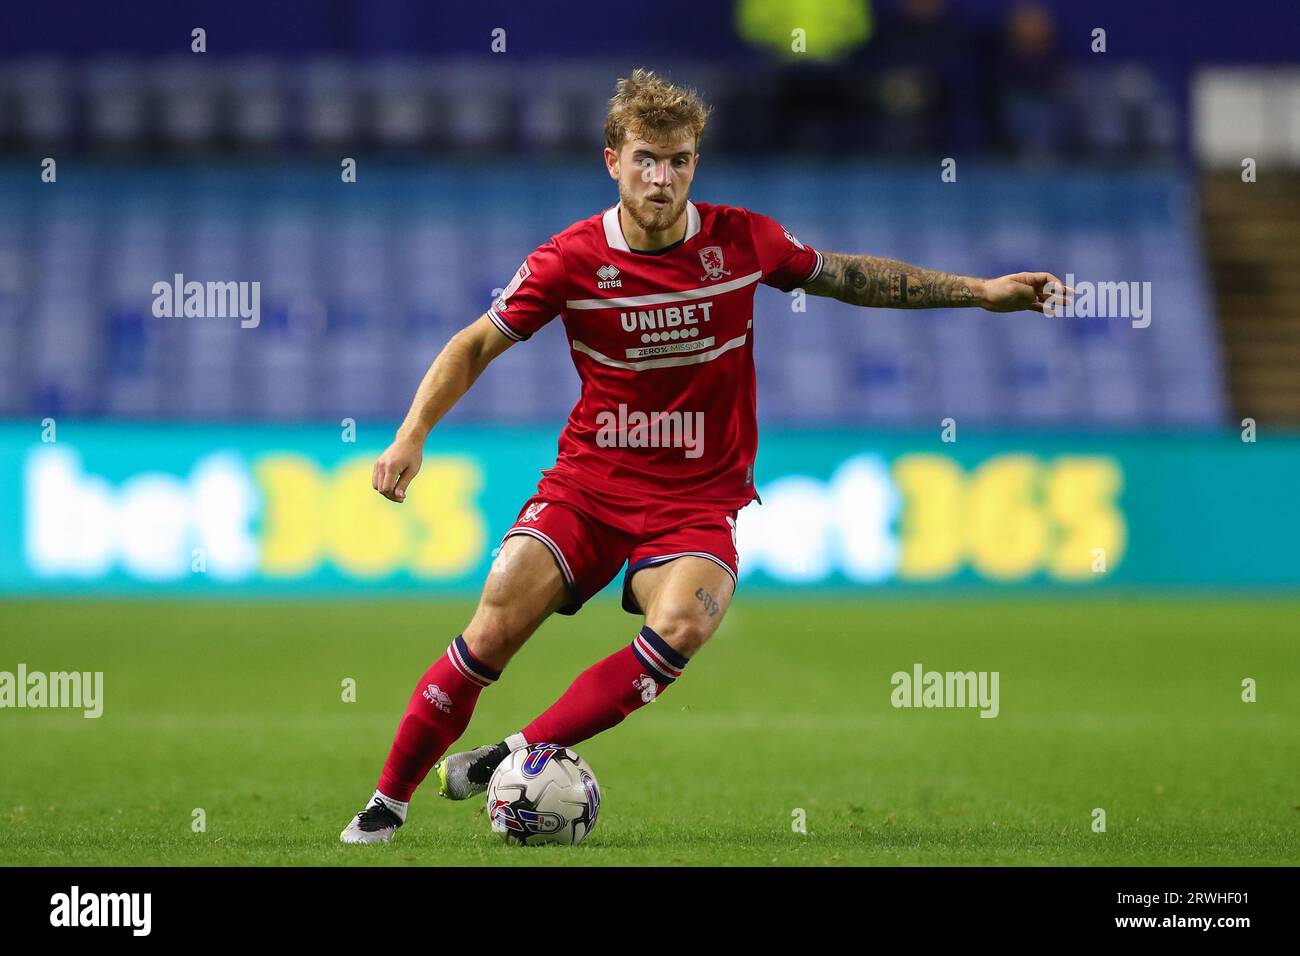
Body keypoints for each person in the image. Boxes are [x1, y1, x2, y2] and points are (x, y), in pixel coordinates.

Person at [342, 68, 1065, 844]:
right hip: (589, 484)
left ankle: (512, 755)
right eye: (647, 159)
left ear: (696, 163)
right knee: (491, 629)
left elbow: (853, 278)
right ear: (612, 161)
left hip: (695, 500)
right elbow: (476, 343)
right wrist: (411, 434)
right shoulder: (569, 260)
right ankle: (386, 806)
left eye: (679, 160)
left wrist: (980, 291)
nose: (662, 177)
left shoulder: (742, 240)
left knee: (682, 625)